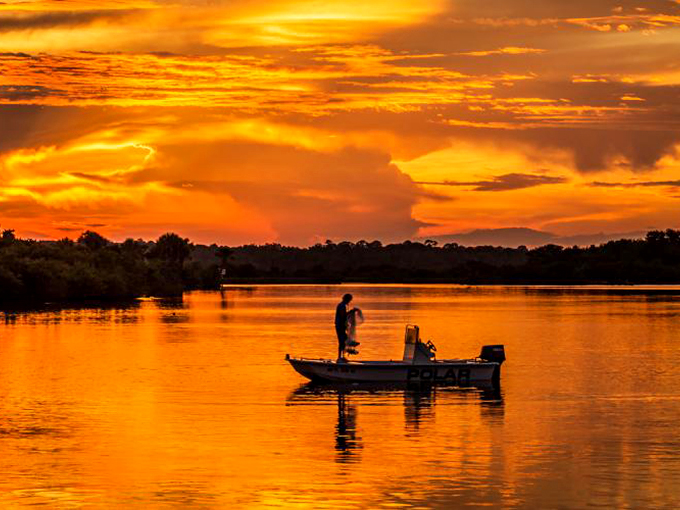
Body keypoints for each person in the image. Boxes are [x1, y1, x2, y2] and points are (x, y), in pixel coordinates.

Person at [335, 293, 353, 361]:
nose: (350, 301)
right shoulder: (342, 305)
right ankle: (339, 357)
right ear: (346, 299)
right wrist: (351, 312)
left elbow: (344, 316)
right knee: (341, 341)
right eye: (349, 300)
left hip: (342, 325)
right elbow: (343, 315)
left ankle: (342, 357)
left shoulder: (344, 305)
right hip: (340, 326)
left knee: (344, 341)